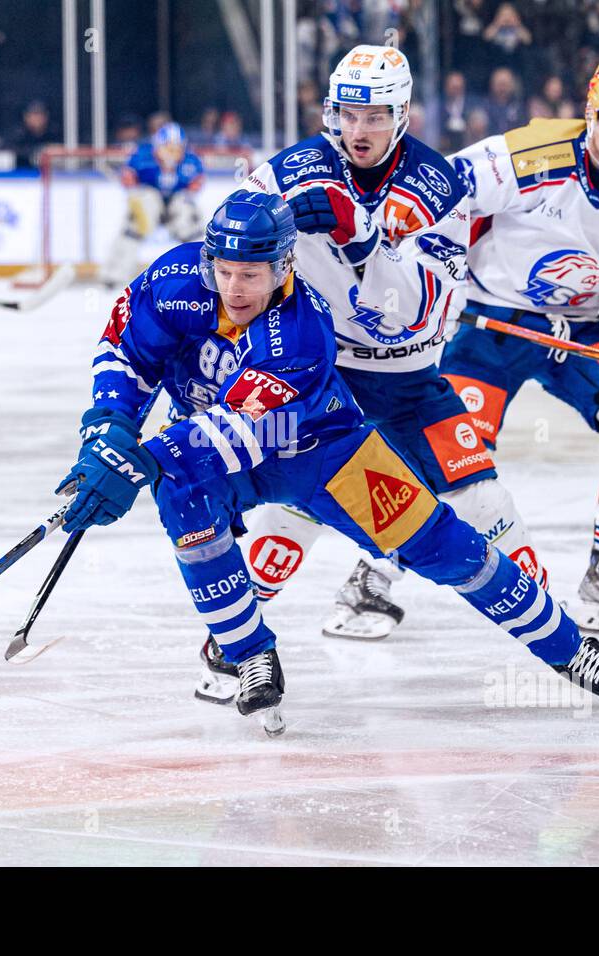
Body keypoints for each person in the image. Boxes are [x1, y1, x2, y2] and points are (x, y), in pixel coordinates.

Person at [55, 189, 599, 729]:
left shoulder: (300, 333)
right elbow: (126, 354)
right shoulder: (175, 279)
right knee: (180, 494)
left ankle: (570, 650)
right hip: (226, 443)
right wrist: (108, 427)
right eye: (225, 271)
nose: (234, 288)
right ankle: (249, 654)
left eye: (251, 275)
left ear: (283, 266)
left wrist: (140, 461)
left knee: (448, 550)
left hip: (326, 454)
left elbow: (241, 431)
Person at [233, 44, 545, 653]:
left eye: (374, 116)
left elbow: (411, 313)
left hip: (407, 379)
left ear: (402, 114)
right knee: (297, 505)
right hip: (325, 375)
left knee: (482, 498)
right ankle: (233, 639)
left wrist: (359, 237)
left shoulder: (439, 185)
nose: (358, 130)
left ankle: (551, 627)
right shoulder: (290, 170)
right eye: (348, 114)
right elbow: (228, 251)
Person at [440, 57, 599, 634]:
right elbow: (441, 195)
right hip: (489, 320)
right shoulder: (531, 154)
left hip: (574, 328)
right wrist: (438, 282)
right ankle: (375, 577)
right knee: (446, 447)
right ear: (590, 111)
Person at [100, 121, 204, 287]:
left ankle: (203, 270)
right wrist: (135, 195)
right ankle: (114, 275)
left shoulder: (190, 162)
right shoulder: (142, 157)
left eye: (176, 148)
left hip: (175, 204)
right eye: (168, 148)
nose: (172, 153)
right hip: (149, 202)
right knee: (134, 228)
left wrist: (186, 196)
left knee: (190, 226)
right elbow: (128, 177)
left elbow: (196, 183)